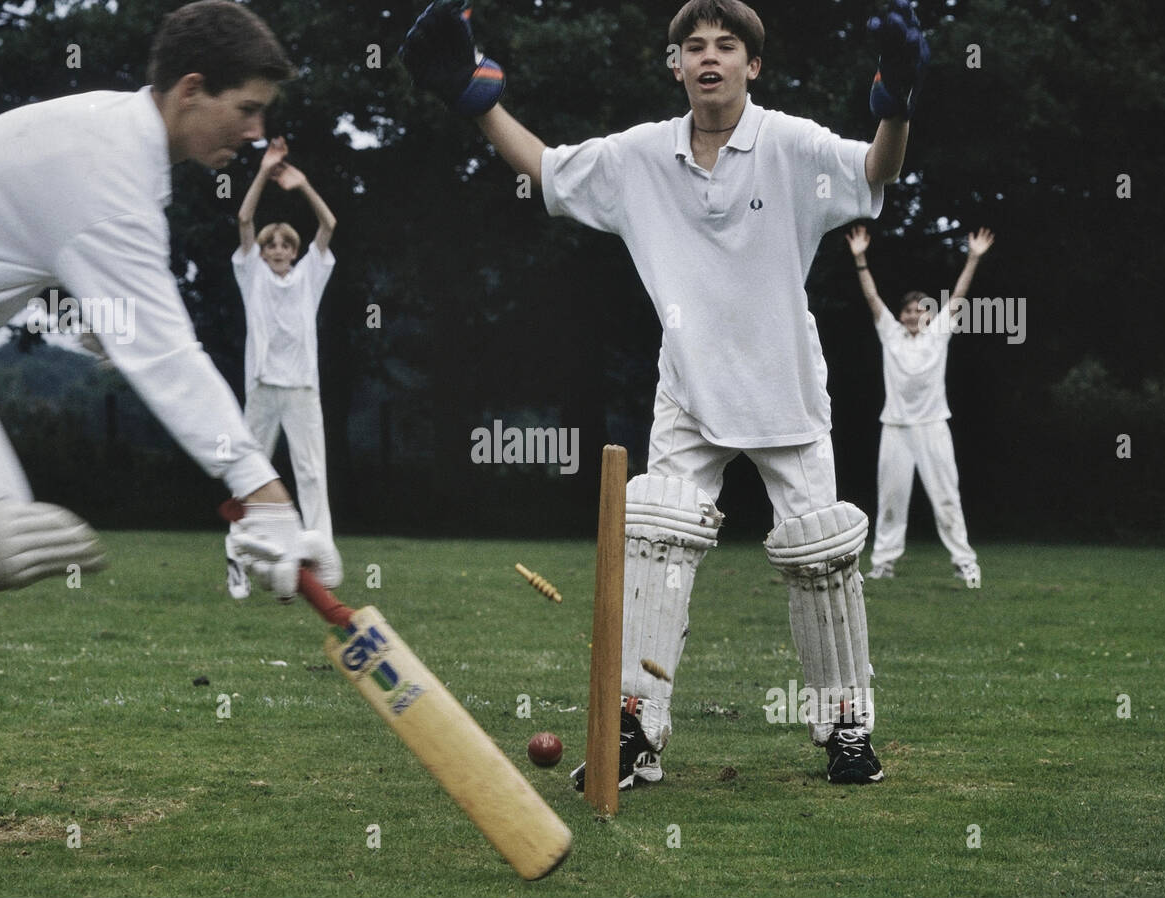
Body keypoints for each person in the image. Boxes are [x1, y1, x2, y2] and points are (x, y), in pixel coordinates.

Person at [400, 0, 929, 784]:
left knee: (822, 558)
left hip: (785, 387)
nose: (708, 57)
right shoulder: (640, 156)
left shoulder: (790, 144)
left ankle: (846, 731)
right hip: (687, 388)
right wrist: (475, 101)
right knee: (655, 549)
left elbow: (877, 172)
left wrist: (898, 99)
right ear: (674, 66)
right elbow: (547, 169)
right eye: (692, 46)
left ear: (754, 65)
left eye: (726, 46)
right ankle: (637, 731)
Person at [0, 0, 340, 688]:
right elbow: (164, 352)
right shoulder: (112, 169)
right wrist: (264, 491)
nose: (255, 131)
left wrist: (77, 309)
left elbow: (5, 236)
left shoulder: (114, 141)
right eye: (246, 108)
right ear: (191, 88)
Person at [846, 224, 992, 589]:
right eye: (907, 311)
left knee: (946, 498)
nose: (913, 316)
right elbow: (872, 298)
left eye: (918, 311)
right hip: (895, 427)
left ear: (927, 314)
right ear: (901, 315)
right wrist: (860, 258)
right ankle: (883, 564)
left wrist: (972, 258)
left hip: (932, 426)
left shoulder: (938, 331)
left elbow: (958, 297)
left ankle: (964, 563)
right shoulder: (891, 333)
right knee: (892, 501)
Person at [223, 138, 338, 599]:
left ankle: (321, 560)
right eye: (270, 245)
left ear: (293, 251)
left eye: (283, 245)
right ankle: (238, 558)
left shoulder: (310, 274)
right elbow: (245, 219)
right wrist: (263, 170)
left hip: (302, 389)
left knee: (312, 475)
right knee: (250, 476)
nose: (275, 250)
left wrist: (303, 184)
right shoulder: (251, 274)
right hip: (263, 388)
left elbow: (329, 223)